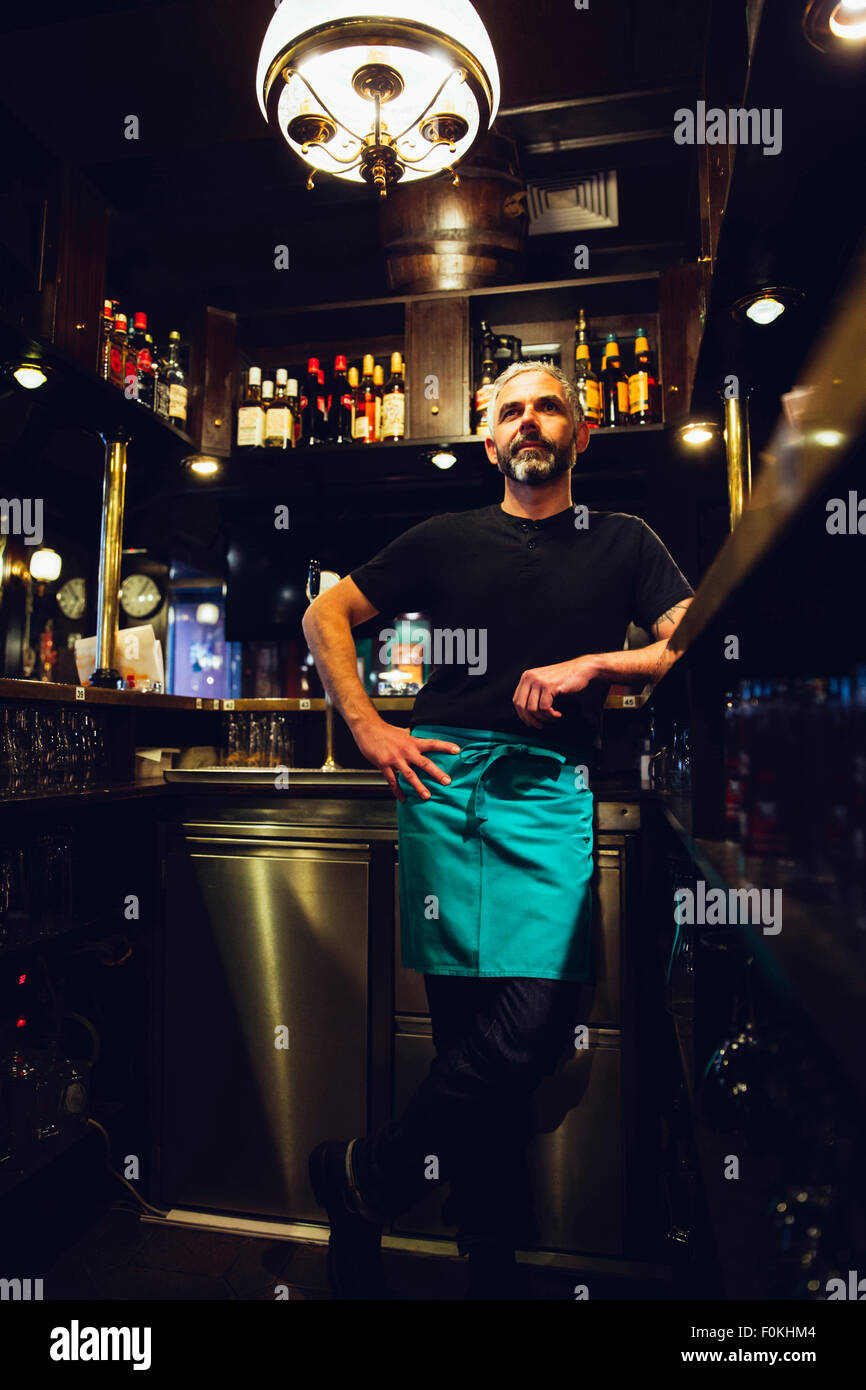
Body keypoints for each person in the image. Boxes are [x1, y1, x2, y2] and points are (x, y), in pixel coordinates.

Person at [306, 361, 694, 1300]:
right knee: (466, 1034)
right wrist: (366, 725)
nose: (529, 421)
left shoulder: (626, 542)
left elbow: (692, 642)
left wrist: (597, 662)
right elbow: (329, 615)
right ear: (489, 442)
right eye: (511, 411)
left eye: (548, 407)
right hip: (443, 787)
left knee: (536, 1023)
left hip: (549, 791)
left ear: (580, 434)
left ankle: (365, 1175)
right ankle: (485, 1245)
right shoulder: (444, 537)